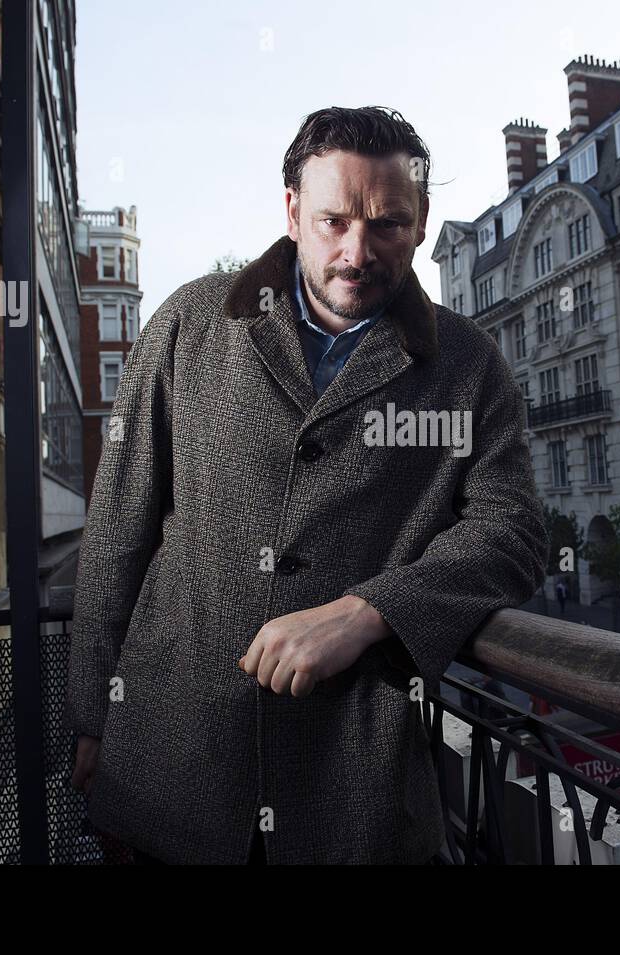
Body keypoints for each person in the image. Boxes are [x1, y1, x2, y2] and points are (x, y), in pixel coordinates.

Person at [65, 107, 549, 865]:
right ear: (293, 212)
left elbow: (513, 534)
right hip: (168, 773)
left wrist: (370, 611)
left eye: (387, 224)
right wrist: (92, 719)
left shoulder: (470, 365)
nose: (358, 251)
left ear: (422, 224)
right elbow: (117, 531)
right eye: (333, 221)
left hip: (351, 797)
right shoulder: (188, 323)